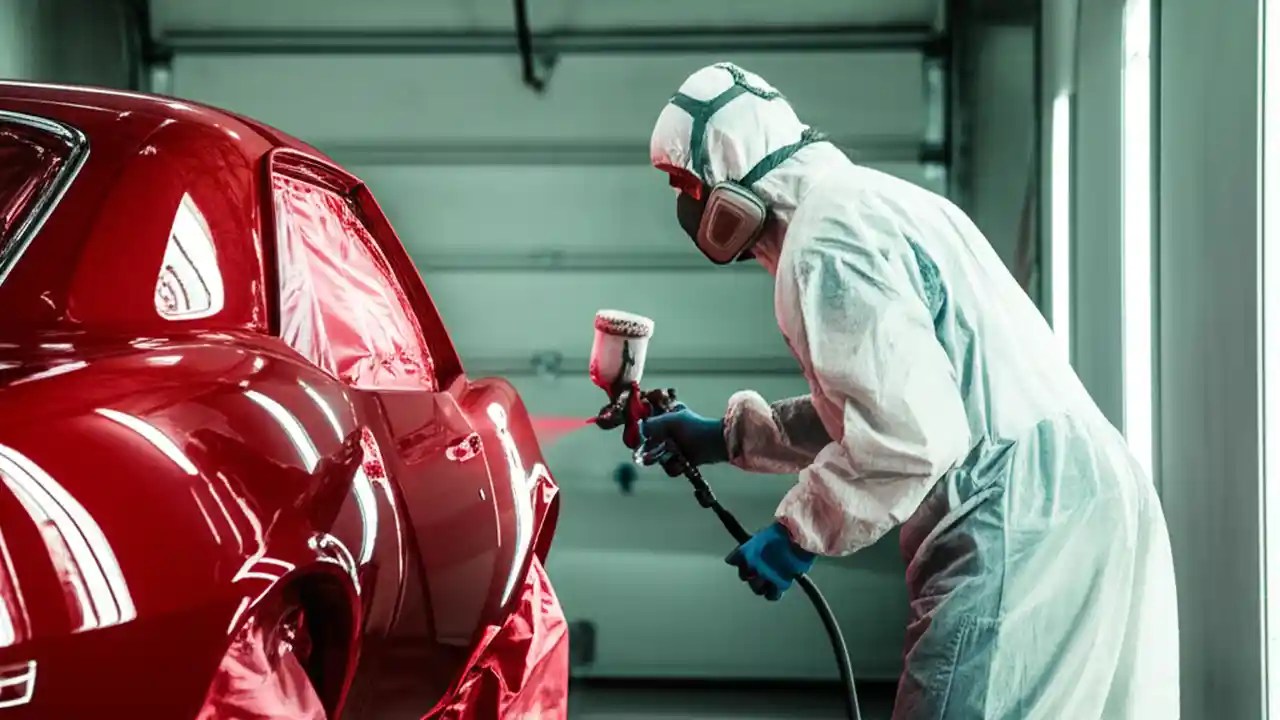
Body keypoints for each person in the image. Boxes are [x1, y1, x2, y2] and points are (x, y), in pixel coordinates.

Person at [637, 62, 1179, 719]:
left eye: (685, 184)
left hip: (1015, 516)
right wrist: (729, 438)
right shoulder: (868, 201)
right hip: (1082, 495)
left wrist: (798, 529)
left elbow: (910, 436)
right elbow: (882, 400)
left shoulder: (826, 239)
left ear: (728, 174)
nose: (685, 209)